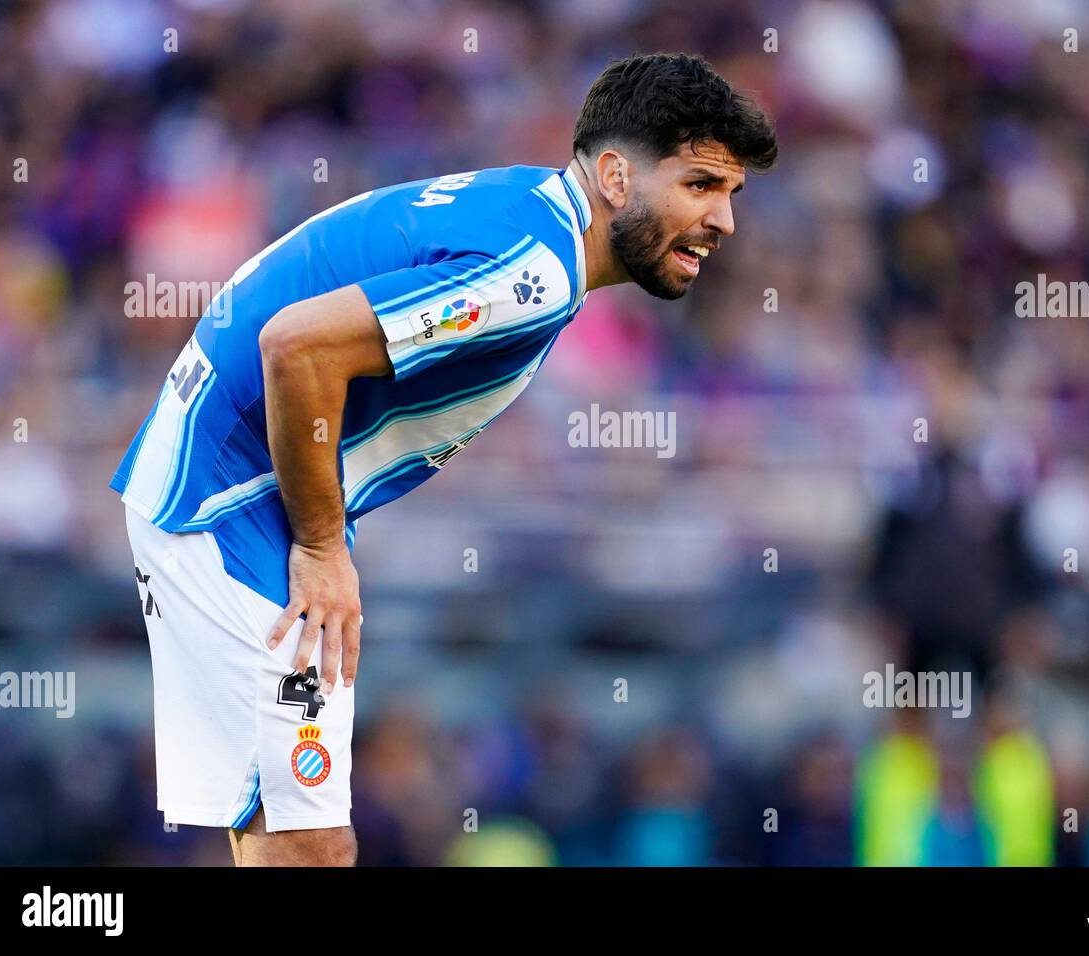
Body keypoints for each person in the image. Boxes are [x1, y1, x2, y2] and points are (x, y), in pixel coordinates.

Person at [109, 52, 777, 866]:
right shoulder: (534, 270)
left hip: (231, 485)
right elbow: (296, 346)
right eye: (701, 186)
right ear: (614, 176)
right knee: (308, 842)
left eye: (732, 194)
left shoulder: (531, 213)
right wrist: (320, 546)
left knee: (286, 831)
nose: (724, 221)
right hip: (229, 503)